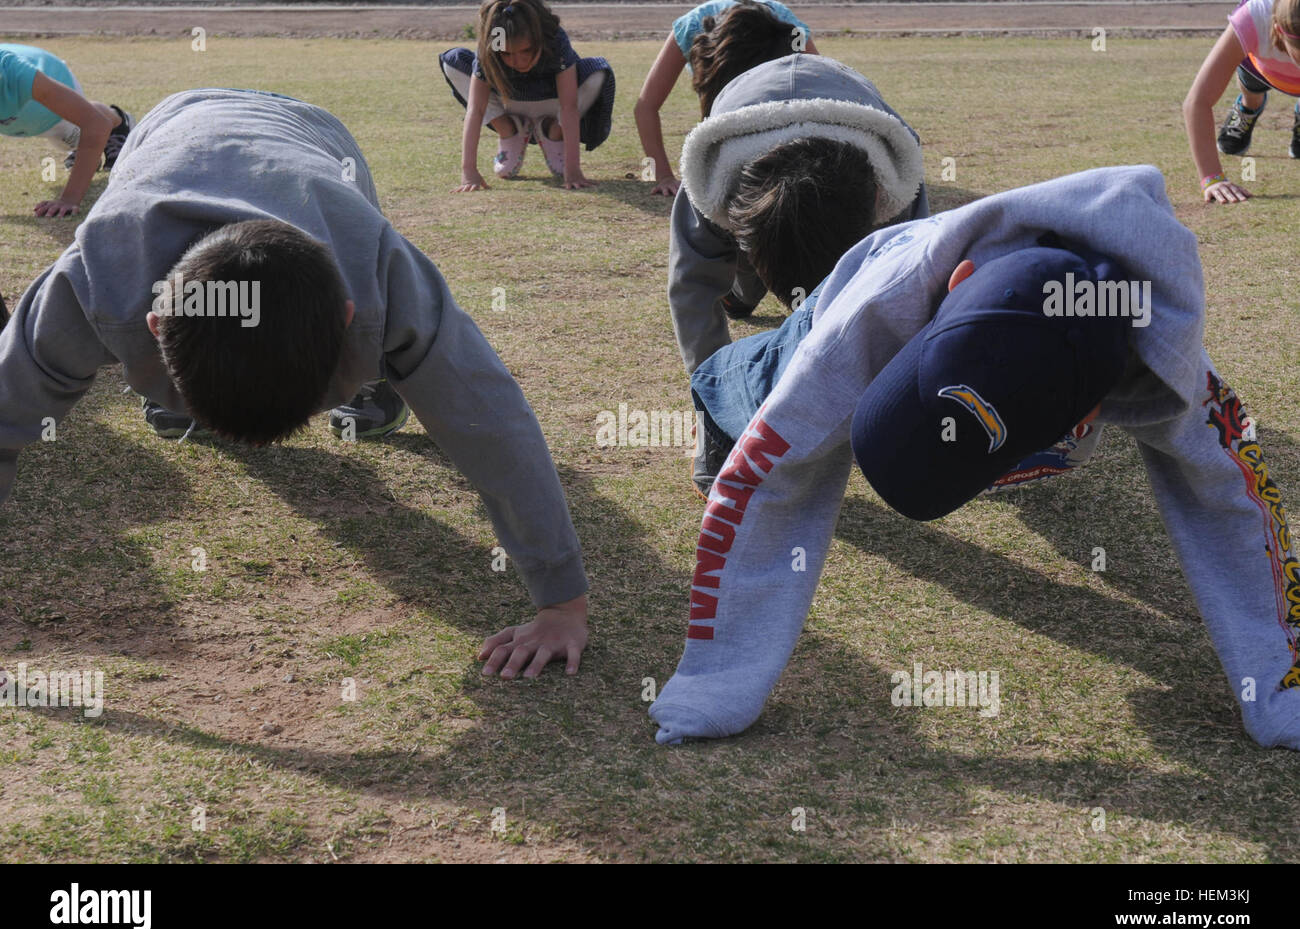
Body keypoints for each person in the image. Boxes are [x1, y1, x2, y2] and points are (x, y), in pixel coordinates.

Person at [650, 164, 1300, 752]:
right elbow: (767, 475)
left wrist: (1280, 687)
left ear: (1091, 409)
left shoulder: (1166, 362)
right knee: (751, 385)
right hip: (832, 315)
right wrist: (717, 684)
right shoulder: (869, 315)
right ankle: (714, 383)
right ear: (959, 284)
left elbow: (1235, 503)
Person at [0, 88, 589, 677]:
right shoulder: (90, 285)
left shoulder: (379, 272)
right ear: (154, 326)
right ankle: (195, 393)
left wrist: (561, 603)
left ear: (348, 317)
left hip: (310, 133)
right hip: (171, 127)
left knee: (406, 362)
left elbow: (489, 422)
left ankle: (378, 385)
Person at [667, 54, 929, 492]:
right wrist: (711, 401)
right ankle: (745, 290)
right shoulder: (712, 175)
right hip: (745, 135)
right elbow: (692, 286)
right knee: (739, 283)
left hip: (852, 115)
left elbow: (909, 291)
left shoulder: (896, 185)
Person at [635, 0, 816, 197]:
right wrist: (662, 175)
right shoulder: (690, 28)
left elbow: (823, 82)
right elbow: (645, 107)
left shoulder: (789, 28)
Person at [440, 0, 614, 191]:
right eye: (506, 53)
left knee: (597, 71)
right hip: (508, 101)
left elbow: (569, 106)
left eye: (526, 51)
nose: (517, 61)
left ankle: (553, 132)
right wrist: (468, 170)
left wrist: (573, 169)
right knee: (453, 60)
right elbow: (476, 109)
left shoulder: (553, 39)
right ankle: (508, 129)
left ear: (538, 38)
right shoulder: (494, 42)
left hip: (554, 105)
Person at [1183, 0, 1300, 203]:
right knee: (1252, 91)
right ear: (1278, 30)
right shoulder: (1254, 16)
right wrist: (1212, 179)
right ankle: (1249, 106)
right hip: (1260, 70)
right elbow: (1197, 101)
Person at [0, 43, 132, 218]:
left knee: (78, 135)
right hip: (15, 118)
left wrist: (69, 199)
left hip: (50, 94)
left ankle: (118, 120)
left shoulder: (16, 72)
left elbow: (95, 124)